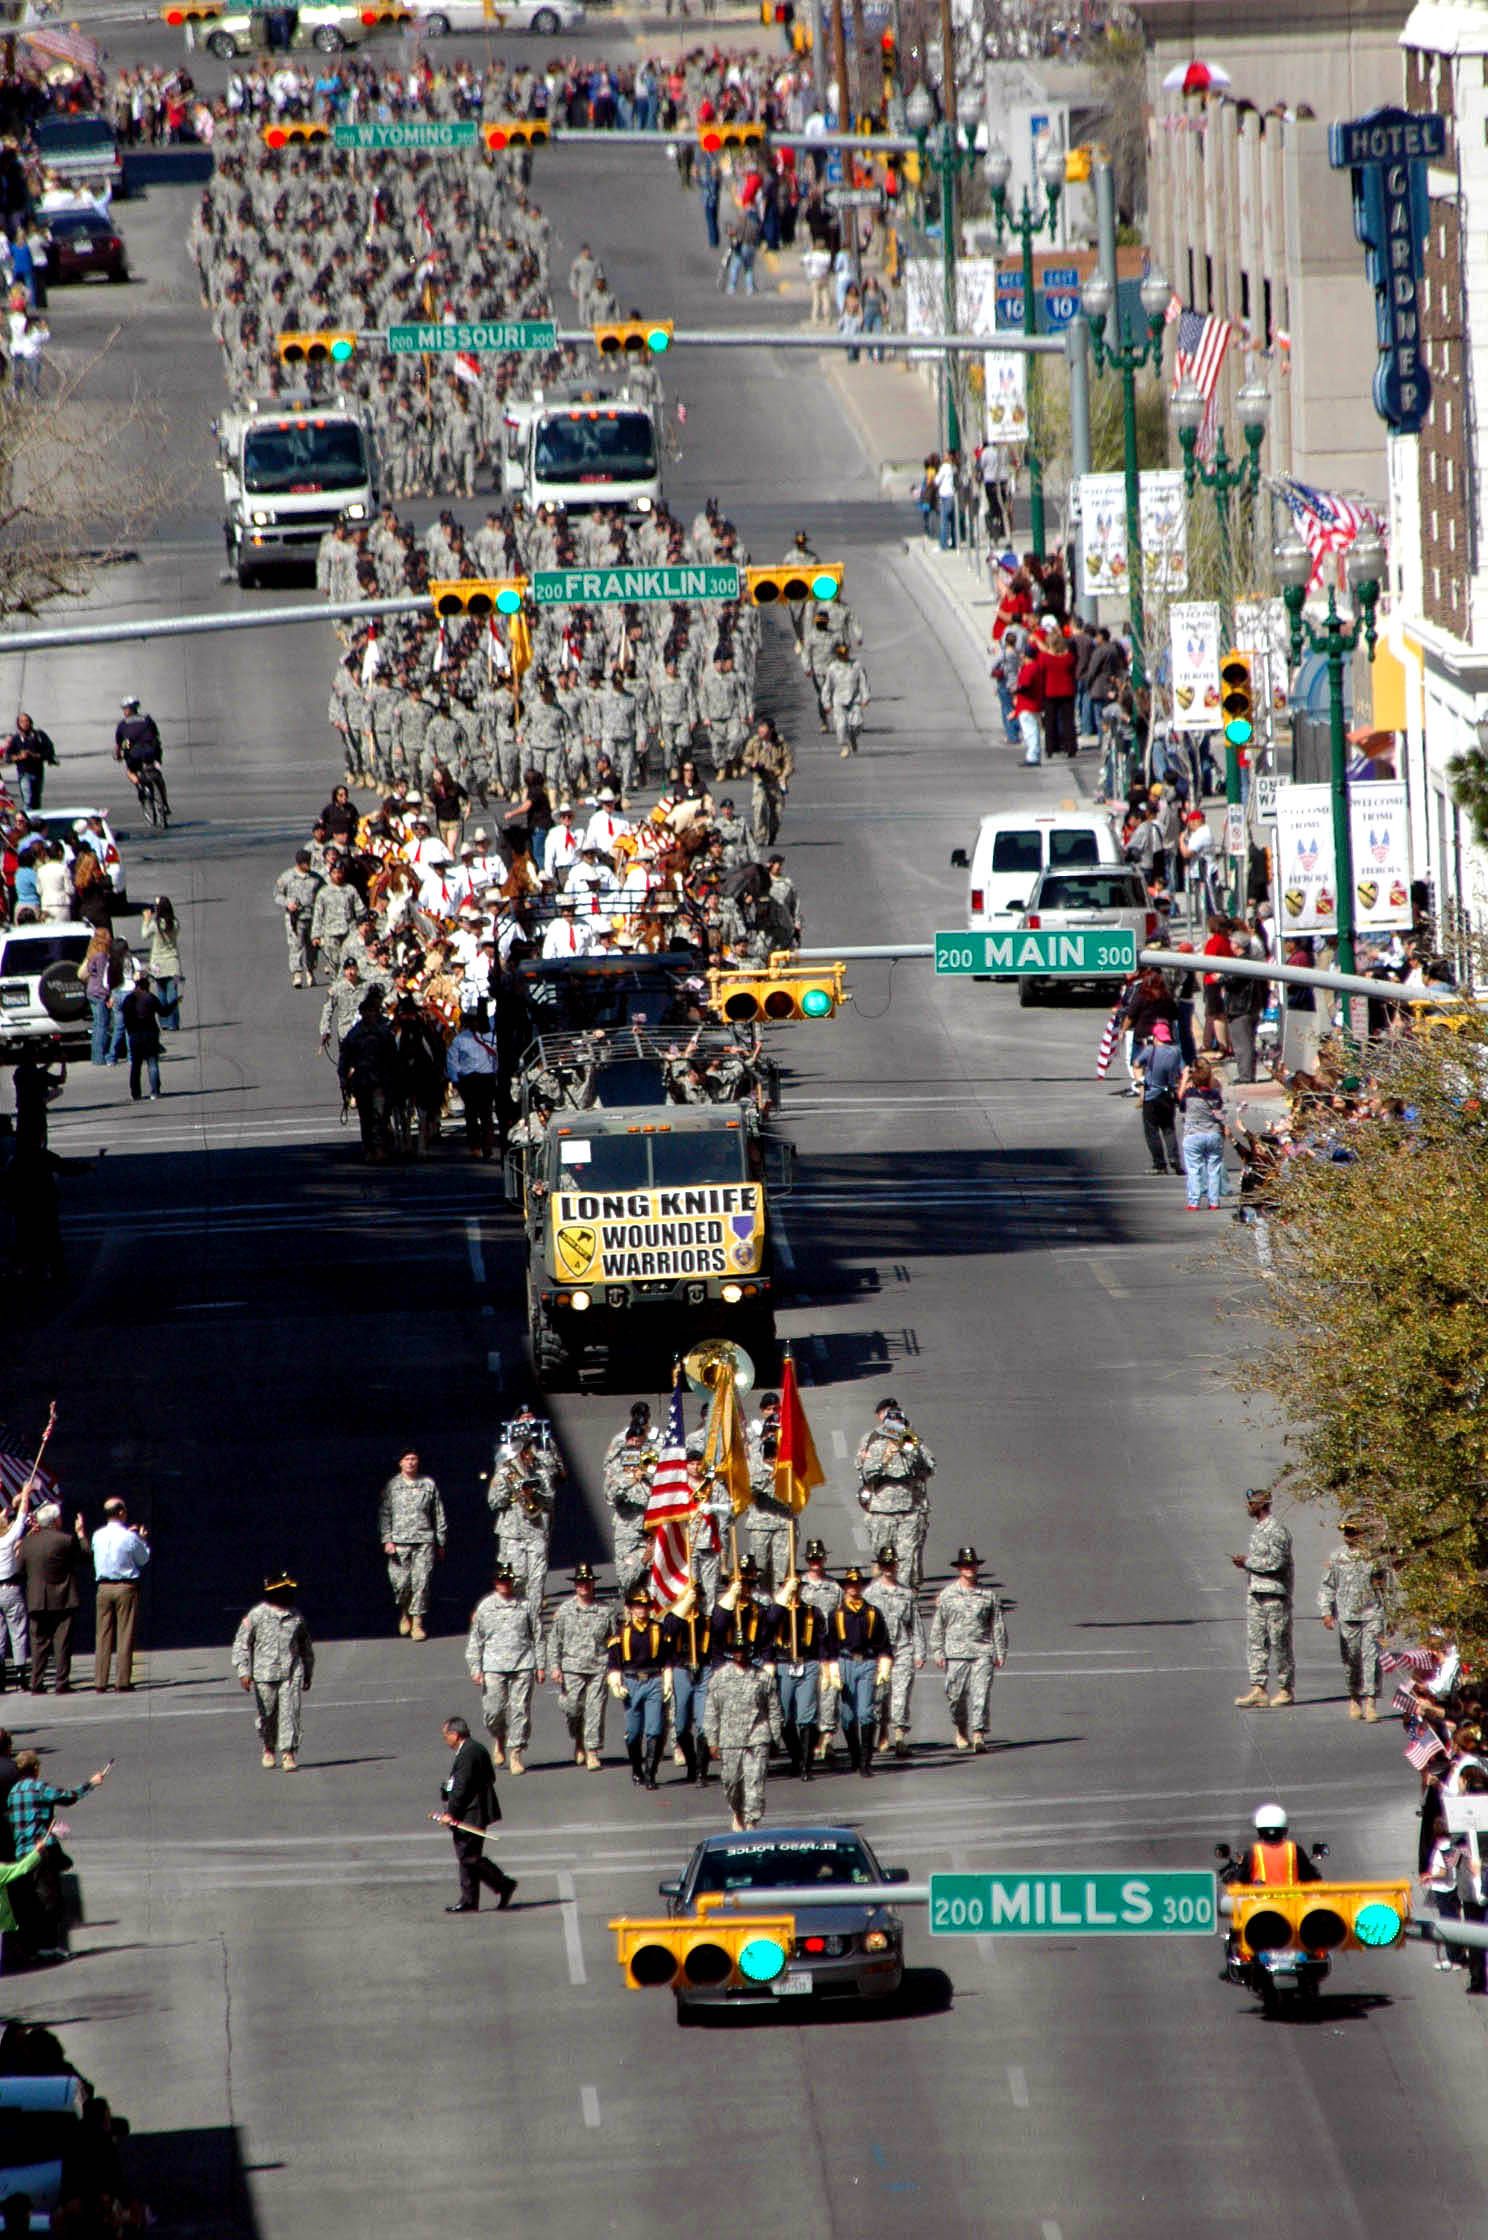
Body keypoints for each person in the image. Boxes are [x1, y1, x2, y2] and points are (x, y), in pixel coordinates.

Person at [5, 1752, 109, 1960]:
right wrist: (92, 1783)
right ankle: (48, 1946)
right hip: (41, 1851)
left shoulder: (12, 1793)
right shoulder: (39, 1788)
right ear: (35, 1769)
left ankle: (31, 1947)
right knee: (49, 1899)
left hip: (21, 1853)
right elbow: (68, 1797)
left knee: (29, 1901)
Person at [435, 1714, 517, 1915]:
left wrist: (450, 1813)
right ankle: (469, 1899)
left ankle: (502, 1884)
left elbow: (461, 1788)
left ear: (455, 1734)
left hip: (472, 1812)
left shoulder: (467, 1754)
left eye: (446, 1735)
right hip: (475, 1810)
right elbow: (489, 1777)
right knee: (467, 1855)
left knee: (468, 1856)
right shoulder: (475, 1749)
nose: (445, 1740)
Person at [232, 1571, 314, 1771]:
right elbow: (241, 1644)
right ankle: (268, 1747)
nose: (288, 1596)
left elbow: (305, 1646)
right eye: (283, 1592)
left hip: (290, 1673)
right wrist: (243, 1671)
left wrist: (308, 1671)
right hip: (264, 1675)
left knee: (290, 1712)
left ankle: (288, 1753)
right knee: (268, 1715)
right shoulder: (256, 1615)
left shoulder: (295, 1618)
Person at [929, 1546, 1008, 1752]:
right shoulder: (947, 1595)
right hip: (955, 1653)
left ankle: (978, 1734)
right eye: (965, 1565)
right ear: (959, 1568)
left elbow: (997, 1625)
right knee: (955, 1697)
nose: (969, 1568)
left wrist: (1000, 1651)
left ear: (977, 1567)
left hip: (982, 1651)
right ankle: (961, 1728)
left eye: (972, 1564)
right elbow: (938, 1625)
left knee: (981, 1694)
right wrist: (937, 1651)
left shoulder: (988, 1595)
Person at [702, 1636, 785, 1833]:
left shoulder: (762, 1677)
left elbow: (774, 1710)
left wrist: (775, 1738)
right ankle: (737, 1812)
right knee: (731, 1783)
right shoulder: (719, 1677)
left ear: (749, 1651)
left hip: (757, 1737)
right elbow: (711, 1711)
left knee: (755, 1783)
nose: (739, 1654)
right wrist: (712, 1741)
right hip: (730, 1740)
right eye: (736, 1650)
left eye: (743, 1649)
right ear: (731, 1652)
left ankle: (751, 1823)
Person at [1318, 1519, 1395, 1722]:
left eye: (1353, 1532)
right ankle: (1354, 1697)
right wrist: (1326, 1611)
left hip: (1372, 1613)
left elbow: (1387, 1588)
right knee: (1351, 1659)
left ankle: (1370, 1702)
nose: (1348, 1536)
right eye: (1347, 1532)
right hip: (1347, 1615)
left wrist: (1392, 1616)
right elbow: (1328, 1586)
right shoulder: (1337, 1557)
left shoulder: (1376, 1558)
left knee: (1372, 1657)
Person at [466, 1562, 539, 1775]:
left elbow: (538, 1635)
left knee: (520, 1710)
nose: (504, 1584)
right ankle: (499, 1737)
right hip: (493, 1666)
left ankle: (516, 1753)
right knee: (493, 1711)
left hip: (522, 1663)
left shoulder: (525, 1605)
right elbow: (475, 1640)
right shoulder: (485, 1607)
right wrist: (475, 1668)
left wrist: (541, 1665)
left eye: (507, 1580)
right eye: (500, 1580)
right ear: (495, 1582)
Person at [856, 1398, 935, 1587]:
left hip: (910, 1509)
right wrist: (884, 1459)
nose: (895, 1426)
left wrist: (910, 1447)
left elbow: (930, 1467)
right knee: (883, 1556)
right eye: (892, 1421)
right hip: (882, 1510)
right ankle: (884, 1592)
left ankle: (903, 1593)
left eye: (898, 1421)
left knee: (906, 1559)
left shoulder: (912, 1440)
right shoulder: (873, 1440)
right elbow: (865, 1471)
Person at [544, 1564, 612, 1772]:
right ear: (575, 1585)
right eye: (580, 1583)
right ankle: (579, 1739)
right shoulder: (565, 1611)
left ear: (593, 1584)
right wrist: (554, 1667)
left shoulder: (605, 1610)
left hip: (598, 1666)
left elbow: (614, 1641)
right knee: (573, 1707)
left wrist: (615, 1668)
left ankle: (592, 1751)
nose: (584, 1586)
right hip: (572, 1667)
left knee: (595, 1709)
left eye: (587, 1582)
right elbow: (554, 1641)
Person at [826, 1565, 891, 1776]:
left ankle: (865, 1761)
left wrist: (884, 1667)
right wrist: (832, 1671)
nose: (853, 1587)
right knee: (847, 1715)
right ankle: (854, 1755)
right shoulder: (836, 1614)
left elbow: (884, 1643)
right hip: (845, 1662)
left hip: (866, 1663)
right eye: (850, 1584)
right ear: (845, 1587)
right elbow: (830, 1645)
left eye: (857, 1583)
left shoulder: (872, 1612)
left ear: (862, 1586)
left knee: (865, 1712)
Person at [1232, 1488, 1294, 1709]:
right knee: (1256, 1642)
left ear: (1262, 1504)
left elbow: (1278, 1563)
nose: (1247, 1507)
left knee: (1279, 1643)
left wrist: (1247, 1562)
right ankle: (1258, 1689)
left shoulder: (1276, 1530)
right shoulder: (1258, 1529)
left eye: (1251, 1503)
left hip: (1274, 1595)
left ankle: (1285, 1689)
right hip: (1256, 1594)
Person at [377, 1450, 446, 1643]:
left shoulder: (428, 1484)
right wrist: (387, 1539)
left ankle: (417, 1622)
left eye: (414, 1459)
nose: (410, 1462)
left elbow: (438, 1513)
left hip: (424, 1541)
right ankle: (405, 1611)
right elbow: (385, 1514)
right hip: (399, 1542)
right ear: (400, 1463)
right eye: (406, 1459)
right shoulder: (393, 1486)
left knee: (421, 1583)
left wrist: (441, 1541)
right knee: (401, 1584)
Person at [606, 1581, 669, 1791]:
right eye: (637, 1605)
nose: (641, 1609)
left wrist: (667, 1681)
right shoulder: (621, 1633)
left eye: (645, 1605)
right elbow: (614, 1663)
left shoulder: (658, 1630)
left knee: (654, 1730)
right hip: (632, 1682)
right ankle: (636, 1768)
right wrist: (615, 1683)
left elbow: (667, 1660)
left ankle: (651, 1773)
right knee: (633, 1732)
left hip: (654, 1680)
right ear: (630, 1608)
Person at [16, 1502, 85, 1695]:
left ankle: (36, 1683)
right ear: (55, 1521)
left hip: (37, 1599)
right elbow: (85, 1555)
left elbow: (20, 1570)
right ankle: (61, 1682)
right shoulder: (65, 1540)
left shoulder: (27, 1543)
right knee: (62, 1643)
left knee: (38, 1644)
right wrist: (81, 1534)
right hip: (63, 1598)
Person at [866, 1544, 926, 1760]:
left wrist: (919, 1652)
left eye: (891, 1564)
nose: (889, 1568)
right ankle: (881, 1732)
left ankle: (899, 1737)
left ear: (897, 1565)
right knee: (879, 1696)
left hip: (902, 1650)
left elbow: (915, 1625)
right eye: (885, 1564)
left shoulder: (906, 1594)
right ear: (880, 1566)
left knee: (900, 1695)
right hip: (878, 1653)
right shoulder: (870, 1593)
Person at [91, 1498, 149, 1694]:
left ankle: (100, 1681)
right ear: (121, 1513)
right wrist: (142, 1540)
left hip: (103, 1587)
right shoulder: (129, 1537)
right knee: (125, 1634)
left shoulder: (97, 1535)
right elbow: (143, 1558)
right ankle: (122, 1681)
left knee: (102, 1635)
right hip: (125, 1586)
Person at [446, 1009, 499, 1161]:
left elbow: (497, 1058)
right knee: (471, 1115)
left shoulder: (491, 1037)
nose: (475, 1023)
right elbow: (452, 1060)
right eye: (473, 1020)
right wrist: (455, 1078)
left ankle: (487, 1146)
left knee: (486, 1114)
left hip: (486, 1079)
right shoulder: (460, 1040)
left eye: (478, 1020)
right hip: (469, 1080)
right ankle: (475, 1147)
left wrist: (496, 1075)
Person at [1134, 1017, 1183, 1175]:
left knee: (1152, 1131)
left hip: (1151, 1095)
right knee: (1169, 1128)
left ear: (1155, 1037)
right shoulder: (1176, 1051)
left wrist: (1140, 1081)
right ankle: (1174, 1158)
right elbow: (1181, 1071)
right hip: (1168, 1095)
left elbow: (1137, 1063)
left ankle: (1159, 1164)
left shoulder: (1150, 1050)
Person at [1177, 1056, 1226, 1210]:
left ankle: (1194, 1202)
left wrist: (1184, 1079)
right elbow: (1219, 1109)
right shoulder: (1215, 1095)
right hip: (1213, 1133)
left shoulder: (1189, 1094)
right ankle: (1214, 1201)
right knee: (1214, 1169)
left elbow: (1180, 1103)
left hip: (1193, 1134)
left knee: (1194, 1170)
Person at [113, 697, 169, 825]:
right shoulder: (147, 719)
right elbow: (156, 736)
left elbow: (119, 744)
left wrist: (118, 756)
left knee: (129, 772)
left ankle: (139, 786)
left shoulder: (122, 724)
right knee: (158, 777)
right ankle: (164, 804)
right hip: (150, 753)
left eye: (124, 709)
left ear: (128, 710)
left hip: (134, 755)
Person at [120, 971, 164, 1102]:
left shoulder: (128, 999)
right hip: (150, 1033)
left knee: (136, 1065)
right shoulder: (150, 998)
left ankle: (136, 1093)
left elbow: (125, 1018)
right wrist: (174, 1002)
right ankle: (155, 1091)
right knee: (152, 1062)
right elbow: (164, 1012)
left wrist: (130, 1032)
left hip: (135, 1034)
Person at [139, 899, 182, 1032]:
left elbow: (144, 935)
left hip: (157, 964)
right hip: (172, 963)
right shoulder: (175, 923)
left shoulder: (156, 925)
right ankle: (173, 1022)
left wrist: (146, 920)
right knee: (172, 994)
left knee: (161, 992)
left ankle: (163, 1021)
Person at [3, 713, 56, 811]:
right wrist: (20, 757)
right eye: (22, 721)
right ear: (18, 724)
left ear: (30, 722)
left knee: (36, 800)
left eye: (26, 721)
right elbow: (8, 757)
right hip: (24, 773)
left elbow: (49, 750)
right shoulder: (16, 739)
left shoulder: (39, 735)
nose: (25, 723)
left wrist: (35, 756)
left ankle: (35, 818)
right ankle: (26, 817)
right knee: (28, 801)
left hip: (38, 773)